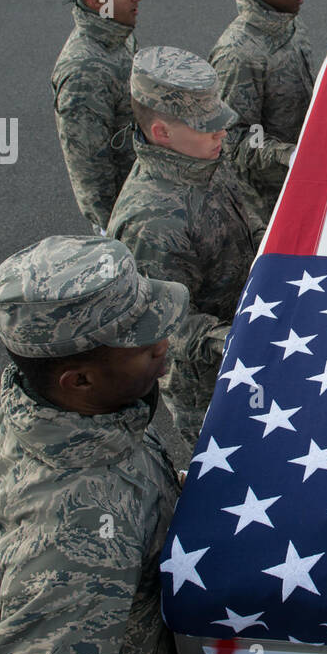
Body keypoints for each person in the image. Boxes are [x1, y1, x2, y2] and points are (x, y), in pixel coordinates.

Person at [0, 235, 190, 654]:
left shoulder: (70, 415)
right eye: (144, 346)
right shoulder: (75, 547)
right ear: (78, 379)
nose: (163, 344)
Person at [108, 46, 268, 450]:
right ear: (161, 131)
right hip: (213, 384)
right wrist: (241, 339)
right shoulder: (151, 223)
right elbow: (162, 325)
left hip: (251, 326)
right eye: (207, 125)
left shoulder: (198, 153)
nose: (221, 132)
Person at [209, 0, 315, 216]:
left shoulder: (291, 24)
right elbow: (231, 140)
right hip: (268, 205)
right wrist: (290, 155)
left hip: (306, 177)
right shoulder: (238, 54)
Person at [51, 0, 147, 232]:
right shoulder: (84, 71)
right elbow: (88, 169)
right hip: (126, 219)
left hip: (144, 198)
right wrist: (114, 230)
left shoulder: (118, 35)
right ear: (95, 1)